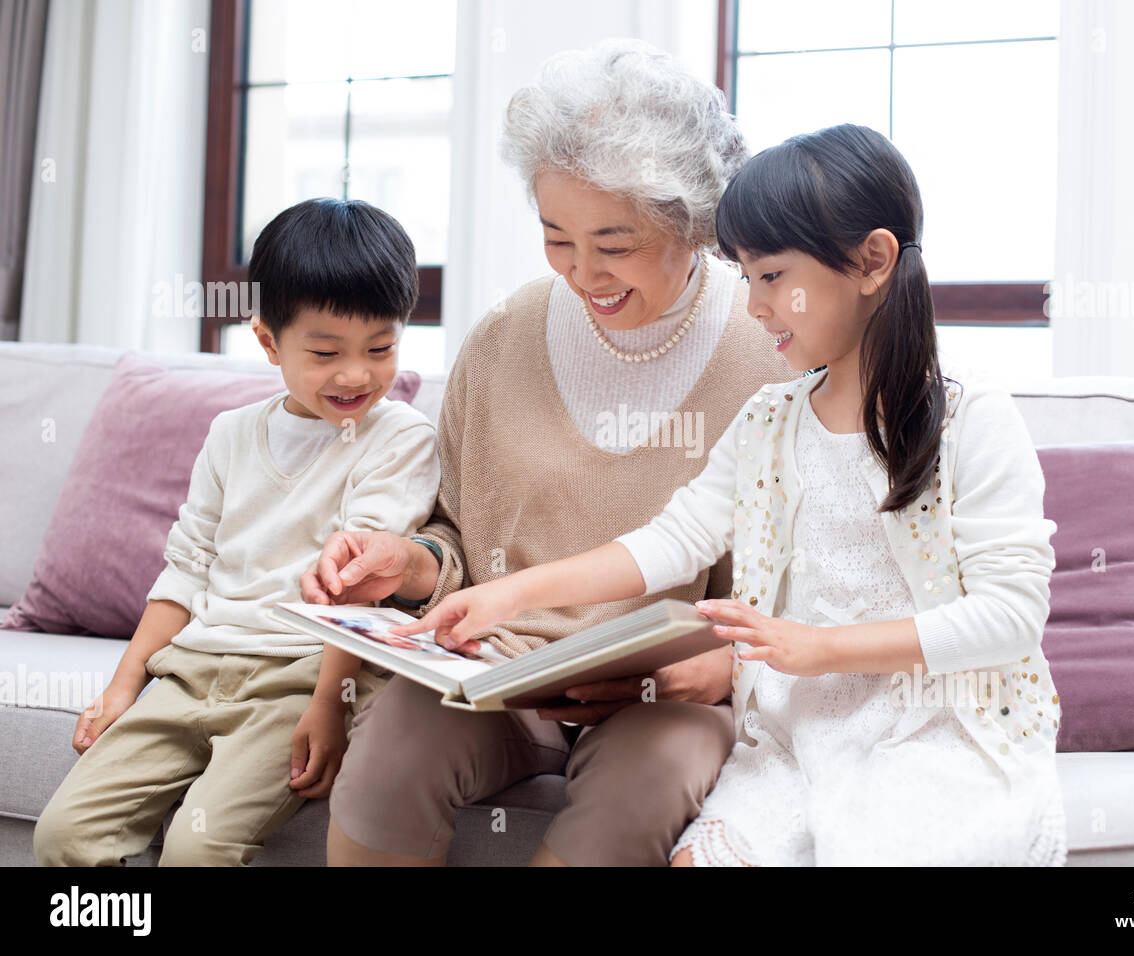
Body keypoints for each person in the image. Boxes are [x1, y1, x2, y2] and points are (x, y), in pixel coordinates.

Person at [398, 124, 1069, 867]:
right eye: (744, 277)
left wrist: (819, 649)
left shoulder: (973, 420)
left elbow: (1009, 617)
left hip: (934, 736)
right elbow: (675, 539)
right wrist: (510, 596)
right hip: (791, 741)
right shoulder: (771, 419)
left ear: (873, 260)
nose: (754, 305)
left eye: (774, 277)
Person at [310, 40, 793, 867]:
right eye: (556, 237)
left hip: (667, 697)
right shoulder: (503, 338)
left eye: (615, 242)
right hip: (500, 671)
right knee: (388, 755)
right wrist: (409, 564)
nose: (584, 273)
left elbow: (815, 585)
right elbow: (456, 538)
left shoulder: (771, 353)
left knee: (638, 792)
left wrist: (723, 669)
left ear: (696, 221)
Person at [33, 198, 440, 866]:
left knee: (197, 849)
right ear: (268, 342)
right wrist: (124, 683)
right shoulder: (231, 435)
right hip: (191, 673)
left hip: (296, 679)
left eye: (381, 347)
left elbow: (359, 589)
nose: (356, 374)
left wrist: (328, 706)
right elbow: (187, 567)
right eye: (325, 351)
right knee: (64, 837)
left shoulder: (400, 436)